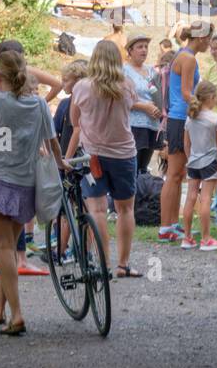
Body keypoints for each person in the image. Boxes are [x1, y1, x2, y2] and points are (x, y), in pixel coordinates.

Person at [0, 49, 64, 336]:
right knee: (8, 247)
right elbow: (52, 142)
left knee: (2, 249)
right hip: (25, 183)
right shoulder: (39, 104)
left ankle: (16, 314)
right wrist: (61, 162)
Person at [66, 41, 158, 277]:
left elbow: (75, 121)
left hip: (92, 156)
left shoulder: (82, 87)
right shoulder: (126, 86)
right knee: (125, 209)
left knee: (96, 210)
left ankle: (104, 262)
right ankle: (123, 264)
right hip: (123, 155)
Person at [158, 20, 214, 243]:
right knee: (173, 175)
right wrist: (206, 110)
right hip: (181, 119)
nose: (209, 43)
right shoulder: (189, 58)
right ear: (201, 38)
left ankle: (171, 224)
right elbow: (186, 93)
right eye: (208, 39)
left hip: (177, 118)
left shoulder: (182, 54)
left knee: (178, 174)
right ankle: (165, 226)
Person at [179, 80, 217, 250]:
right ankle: (206, 239)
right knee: (206, 198)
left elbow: (186, 144)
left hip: (193, 162)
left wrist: (190, 158)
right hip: (209, 162)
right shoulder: (216, 118)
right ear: (212, 98)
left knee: (191, 197)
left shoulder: (191, 117)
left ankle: (187, 237)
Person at [123, 32, 162, 173]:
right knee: (132, 167)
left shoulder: (152, 71)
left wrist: (159, 109)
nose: (144, 50)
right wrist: (143, 107)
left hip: (151, 125)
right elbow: (121, 99)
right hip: (134, 125)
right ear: (130, 51)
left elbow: (159, 95)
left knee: (143, 168)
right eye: (140, 47)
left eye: (146, 47)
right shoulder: (124, 71)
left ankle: (142, 194)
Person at [53, 60, 89, 163]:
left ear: (78, 82)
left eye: (65, 80)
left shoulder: (91, 106)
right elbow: (54, 132)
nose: (62, 84)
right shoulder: (64, 104)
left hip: (83, 159)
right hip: (65, 157)